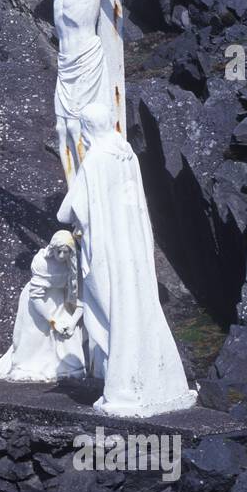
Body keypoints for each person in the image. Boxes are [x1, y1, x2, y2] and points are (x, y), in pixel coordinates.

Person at [0, 0, 179, 180]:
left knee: (86, 124)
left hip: (87, 58)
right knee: (62, 128)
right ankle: (77, 188)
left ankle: (97, 180)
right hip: (66, 62)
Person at [56, 103, 196, 416]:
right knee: (140, 309)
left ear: (88, 127)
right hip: (132, 245)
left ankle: (125, 387)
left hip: (108, 248)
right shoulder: (127, 154)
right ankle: (162, 383)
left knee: (116, 312)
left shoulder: (95, 159)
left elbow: (68, 211)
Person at [0, 231, 85, 382]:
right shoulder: (42, 262)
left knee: (69, 341)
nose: (62, 256)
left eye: (66, 252)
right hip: (39, 303)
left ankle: (64, 368)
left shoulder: (76, 262)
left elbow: (82, 299)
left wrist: (72, 321)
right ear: (52, 249)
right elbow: (36, 298)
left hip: (63, 302)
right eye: (59, 251)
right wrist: (53, 322)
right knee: (35, 343)